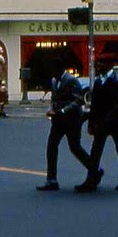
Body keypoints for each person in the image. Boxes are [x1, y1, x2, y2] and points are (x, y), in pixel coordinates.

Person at [36, 56, 92, 191]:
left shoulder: (71, 80)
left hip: (72, 119)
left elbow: (78, 100)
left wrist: (62, 111)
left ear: (60, 69)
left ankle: (94, 168)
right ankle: (51, 179)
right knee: (51, 147)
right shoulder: (54, 80)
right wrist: (51, 109)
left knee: (75, 147)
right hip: (58, 120)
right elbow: (54, 99)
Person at [75, 60, 118, 193]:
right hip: (102, 123)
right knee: (95, 152)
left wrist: (107, 119)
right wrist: (91, 122)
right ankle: (91, 180)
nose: (98, 68)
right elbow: (94, 105)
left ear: (109, 66)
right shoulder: (99, 82)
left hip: (116, 123)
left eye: (101, 65)